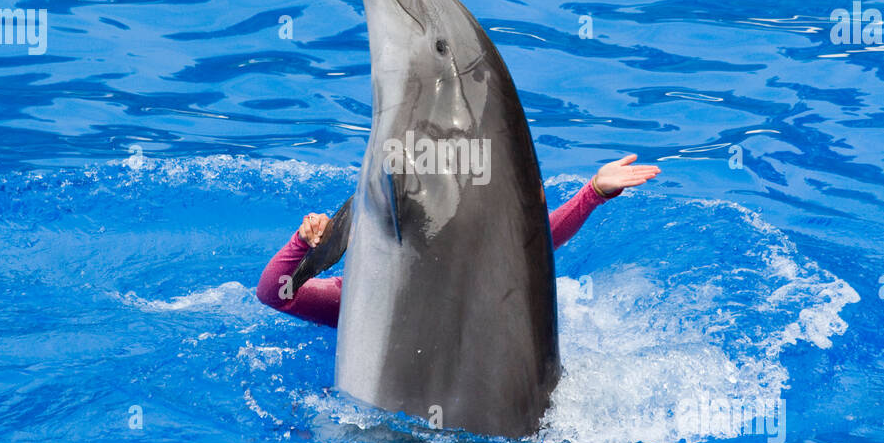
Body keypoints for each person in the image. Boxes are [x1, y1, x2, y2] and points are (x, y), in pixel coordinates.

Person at [256, 154, 660, 327]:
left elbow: (536, 238)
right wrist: (301, 244)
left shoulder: (473, 262)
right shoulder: (360, 298)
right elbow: (275, 294)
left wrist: (593, 191)